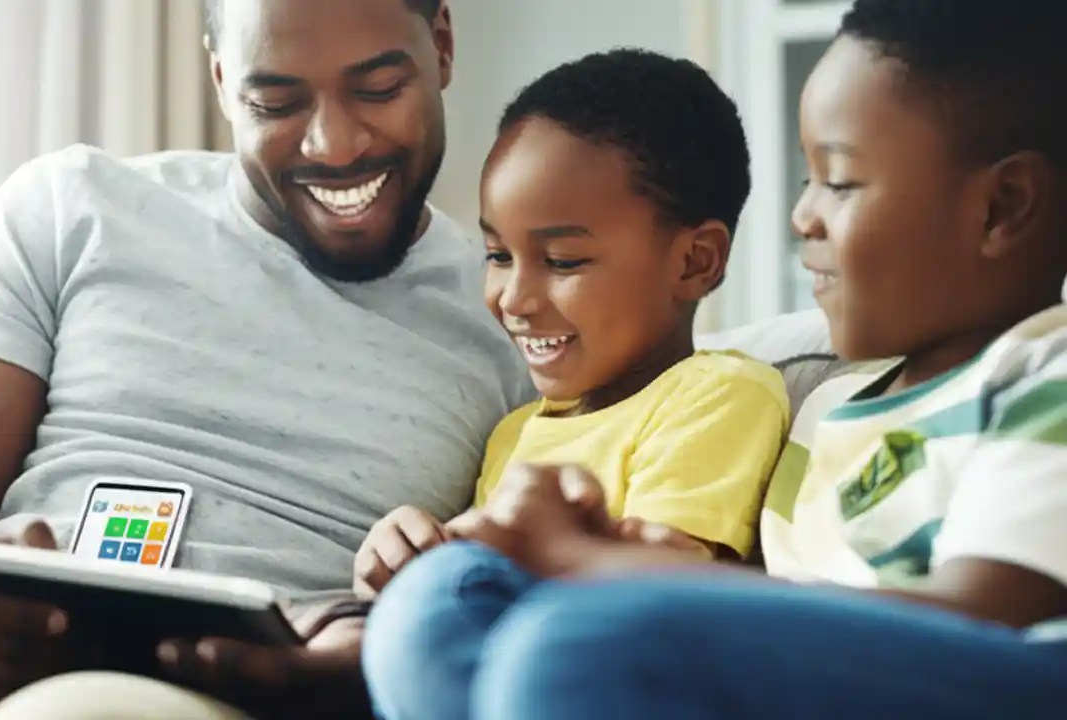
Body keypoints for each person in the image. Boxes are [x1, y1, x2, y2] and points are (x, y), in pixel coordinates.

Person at [0, 1, 535, 719]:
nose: (332, 146)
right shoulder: (72, 204)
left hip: (226, 697)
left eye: (376, 89)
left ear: (441, 45)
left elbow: (513, 597)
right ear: (220, 83)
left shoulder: (519, 324)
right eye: (275, 104)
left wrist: (370, 673)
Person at [363, 1, 1067, 718]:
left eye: (842, 183)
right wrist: (621, 547)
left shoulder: (1047, 378)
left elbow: (987, 619)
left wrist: (603, 568)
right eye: (806, 181)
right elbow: (758, 615)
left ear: (1002, 206)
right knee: (437, 608)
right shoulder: (828, 409)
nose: (801, 218)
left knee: (577, 644)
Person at [359, 48, 790, 717]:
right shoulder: (514, 432)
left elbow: (664, 589)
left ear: (695, 262)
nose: (513, 298)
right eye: (498, 256)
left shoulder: (718, 394)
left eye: (561, 260)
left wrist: (468, 553)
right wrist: (413, 549)